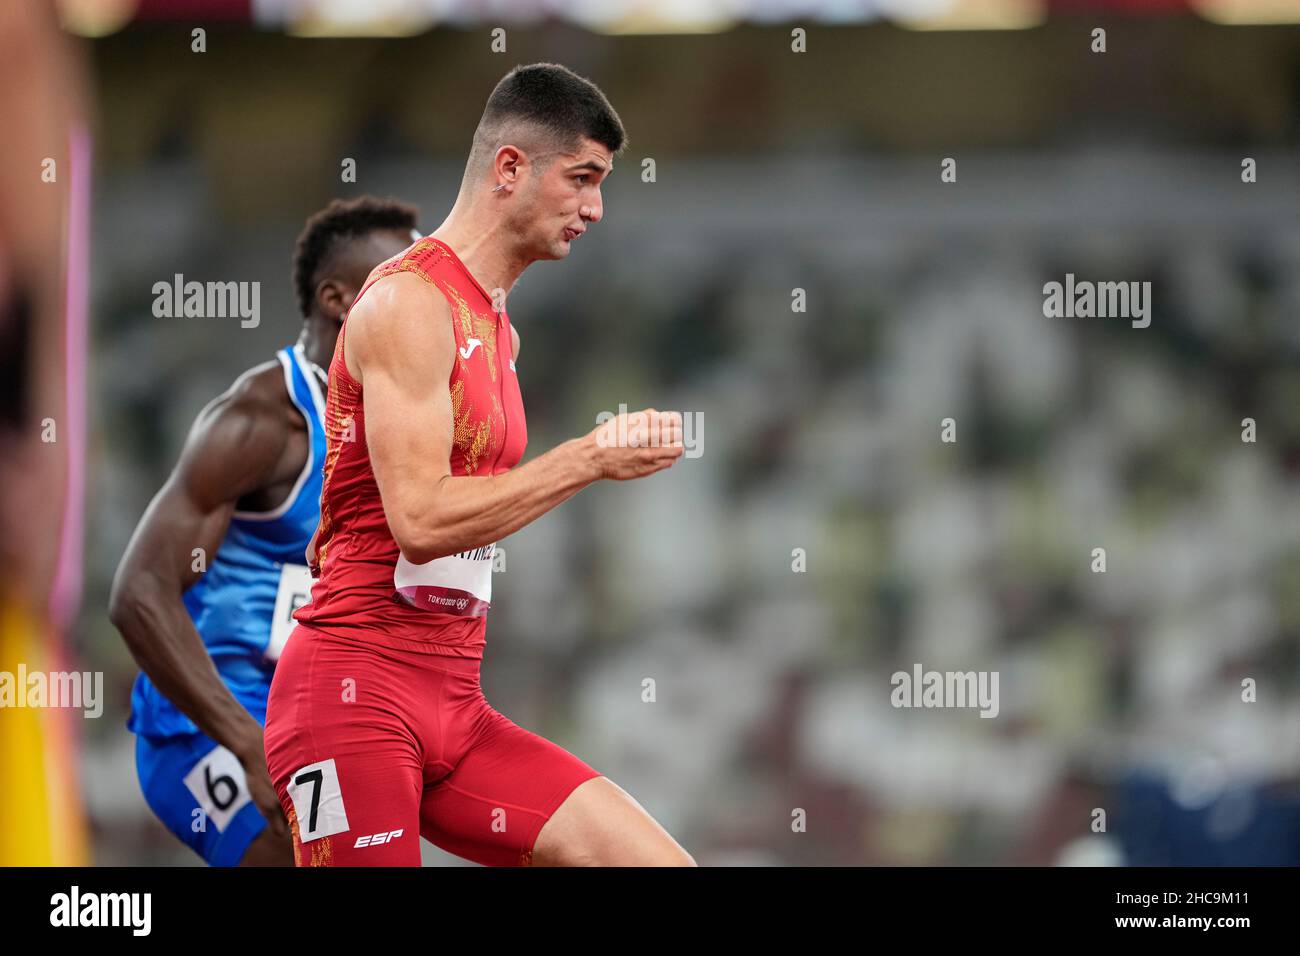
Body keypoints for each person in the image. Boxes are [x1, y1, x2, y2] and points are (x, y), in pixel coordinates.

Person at [264, 63, 695, 866]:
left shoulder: (499, 329)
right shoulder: (405, 306)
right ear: (510, 169)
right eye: (582, 179)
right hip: (351, 700)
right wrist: (587, 458)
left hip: (453, 706)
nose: (595, 208)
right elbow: (420, 522)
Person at [109, 197, 419, 866]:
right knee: (301, 854)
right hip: (208, 728)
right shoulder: (262, 421)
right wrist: (248, 743)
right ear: (338, 299)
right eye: (403, 278)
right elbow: (138, 592)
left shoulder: (398, 419)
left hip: (306, 722)